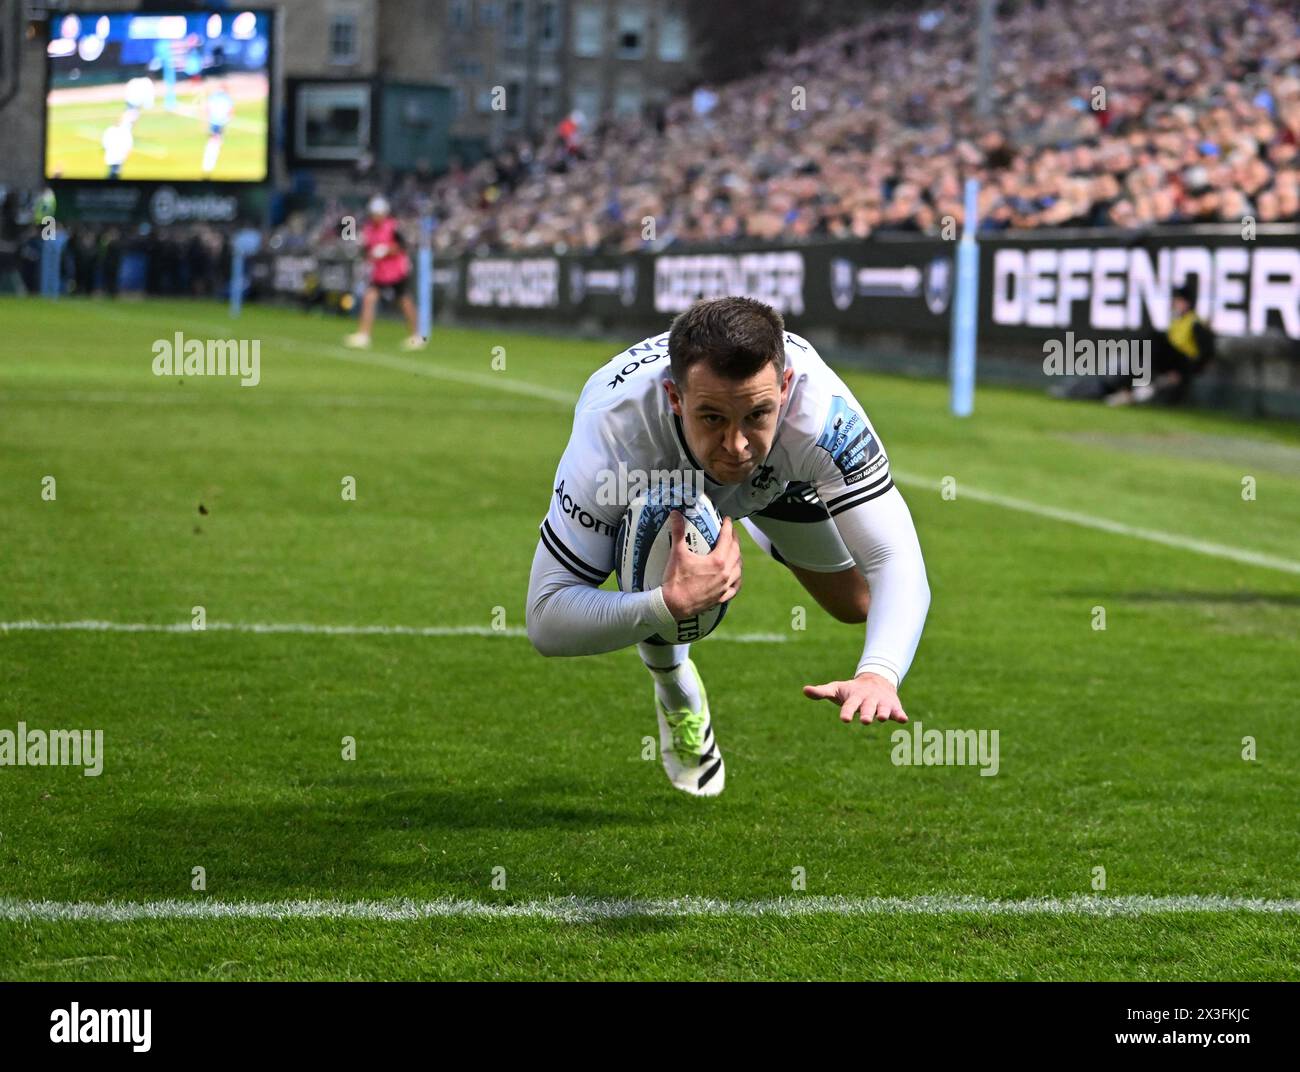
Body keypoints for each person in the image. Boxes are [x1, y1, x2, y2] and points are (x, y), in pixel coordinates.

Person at [525, 296, 931, 796]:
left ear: (784, 390)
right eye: (713, 417)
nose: (737, 445)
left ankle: (749, 516)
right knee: (660, 563)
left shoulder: (823, 415)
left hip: (779, 478)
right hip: (653, 486)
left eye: (757, 414)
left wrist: (878, 674)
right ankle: (675, 687)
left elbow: (895, 557)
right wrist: (665, 604)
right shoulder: (616, 434)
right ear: (675, 398)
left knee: (856, 605)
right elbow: (546, 619)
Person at [1106, 284, 1216, 405]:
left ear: (1187, 302)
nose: (1175, 303)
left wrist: (1184, 374)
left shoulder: (1195, 324)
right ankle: (1126, 386)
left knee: (1155, 338)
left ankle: (1138, 382)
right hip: (1169, 361)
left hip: (1182, 363)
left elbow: (1207, 353)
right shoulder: (1177, 320)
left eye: (1178, 300)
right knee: (1144, 342)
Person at [344, 196, 425, 350]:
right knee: (369, 298)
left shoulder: (393, 227)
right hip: (380, 273)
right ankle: (364, 335)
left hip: (396, 271)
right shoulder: (368, 229)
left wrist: (386, 250)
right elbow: (367, 249)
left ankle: (416, 336)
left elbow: (402, 246)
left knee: (404, 301)